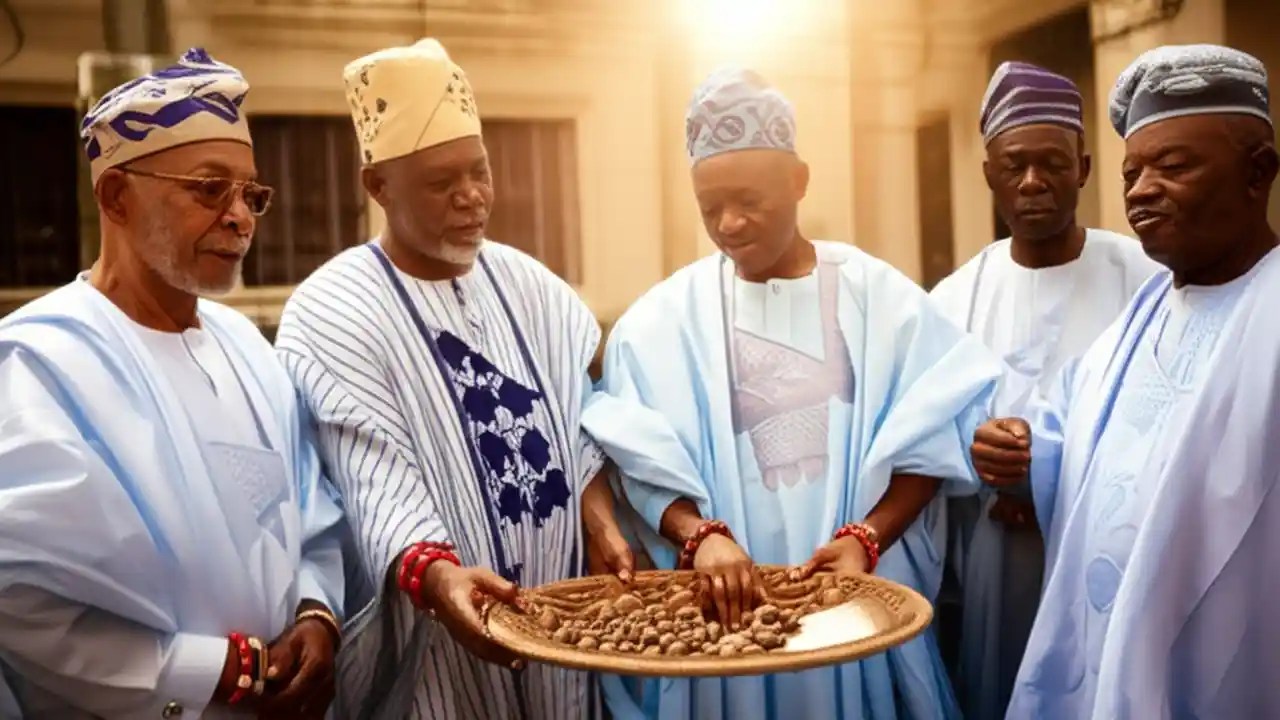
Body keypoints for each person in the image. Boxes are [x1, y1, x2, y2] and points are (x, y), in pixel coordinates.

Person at [582, 67, 1002, 720]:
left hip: (854, 608)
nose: (729, 223)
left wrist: (868, 538)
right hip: (725, 628)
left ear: (799, 181)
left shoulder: (880, 298)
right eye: (709, 207)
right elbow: (638, 461)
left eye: (750, 200)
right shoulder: (659, 324)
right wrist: (699, 537)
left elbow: (930, 438)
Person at [275, 38, 633, 720]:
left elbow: (578, 422)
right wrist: (438, 580)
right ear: (378, 187)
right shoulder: (334, 309)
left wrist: (601, 524)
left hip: (566, 639)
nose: (471, 197)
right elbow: (370, 474)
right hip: (439, 647)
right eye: (441, 183)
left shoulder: (532, 285)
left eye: (480, 171)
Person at [0, 48, 346, 719]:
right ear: (116, 196)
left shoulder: (247, 347)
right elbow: (19, 597)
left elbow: (312, 513)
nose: (241, 217)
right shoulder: (40, 363)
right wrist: (214, 672)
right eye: (209, 189)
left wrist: (316, 611)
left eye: (251, 195)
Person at [971, 44, 1280, 718]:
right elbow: (1067, 434)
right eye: (1132, 172)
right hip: (1107, 657)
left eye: (1173, 166)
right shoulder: (1146, 312)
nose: (1140, 191)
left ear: (1258, 172)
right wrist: (1022, 451)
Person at [928, 61, 1158, 719]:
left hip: (1113, 547)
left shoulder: (1146, 277)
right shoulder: (951, 301)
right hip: (997, 557)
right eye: (1014, 165)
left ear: (1083, 168)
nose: (1033, 181)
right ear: (989, 174)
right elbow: (922, 434)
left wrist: (1053, 476)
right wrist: (974, 451)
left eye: (1053, 163)